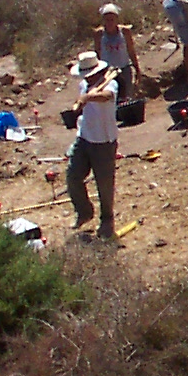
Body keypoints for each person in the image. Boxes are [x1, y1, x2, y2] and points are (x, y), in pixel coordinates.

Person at [66, 50, 120, 242]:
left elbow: (107, 96)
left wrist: (87, 98)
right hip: (84, 137)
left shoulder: (109, 83)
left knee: (104, 185)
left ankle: (107, 220)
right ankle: (84, 211)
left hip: (104, 141)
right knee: (73, 176)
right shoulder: (84, 85)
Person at [93, 3, 139, 97]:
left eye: (112, 19)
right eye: (107, 20)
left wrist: (137, 68)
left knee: (127, 96)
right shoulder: (99, 34)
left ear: (117, 19)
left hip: (124, 69)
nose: (109, 22)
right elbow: (98, 53)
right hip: (108, 72)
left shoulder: (125, 32)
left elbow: (130, 50)